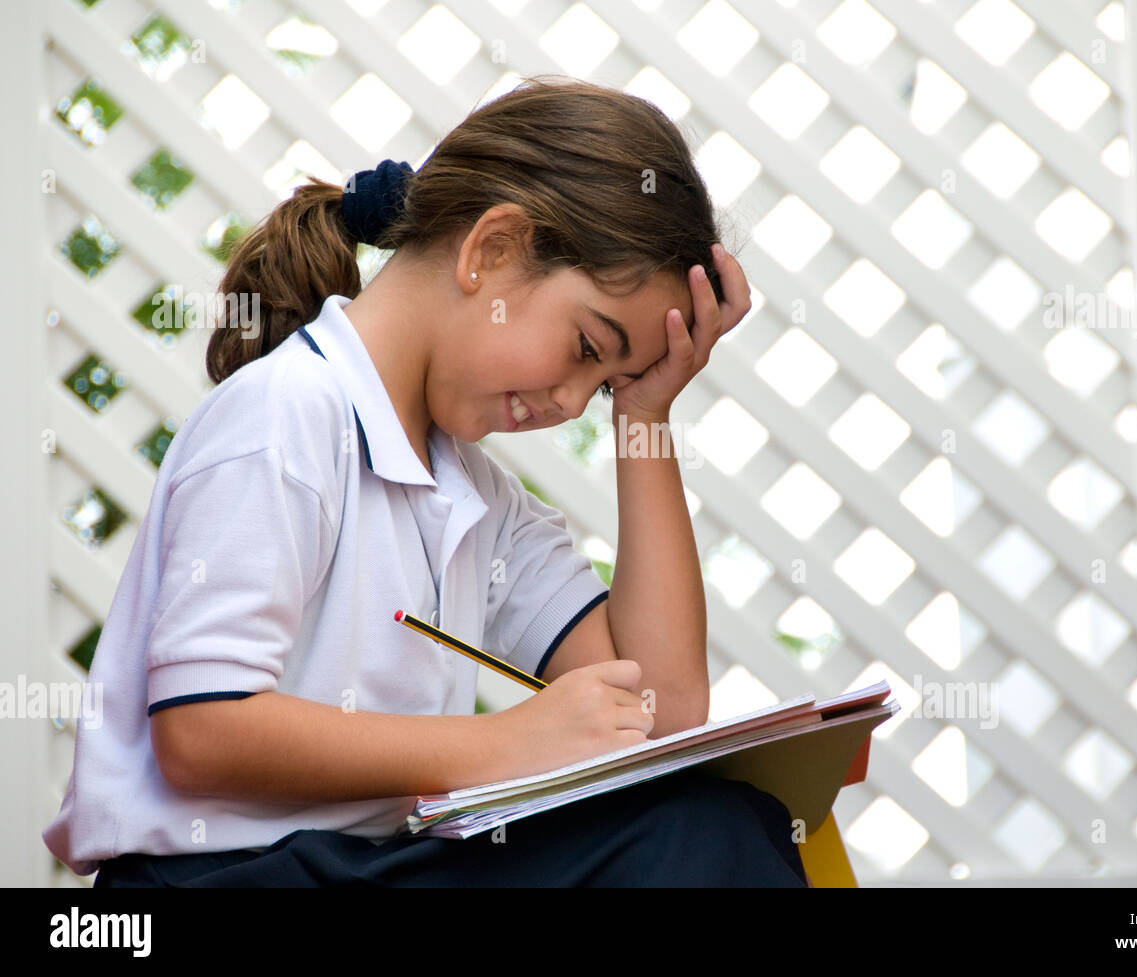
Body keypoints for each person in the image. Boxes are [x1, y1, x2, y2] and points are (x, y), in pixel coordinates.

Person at [43, 75, 807, 887]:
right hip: (211, 880)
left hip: (359, 865)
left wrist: (645, 414)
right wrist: (504, 744)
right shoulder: (286, 413)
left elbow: (662, 714)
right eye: (589, 349)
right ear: (492, 249)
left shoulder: (478, 497)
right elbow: (201, 731)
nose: (573, 402)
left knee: (715, 823)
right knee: (698, 842)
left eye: (608, 386)